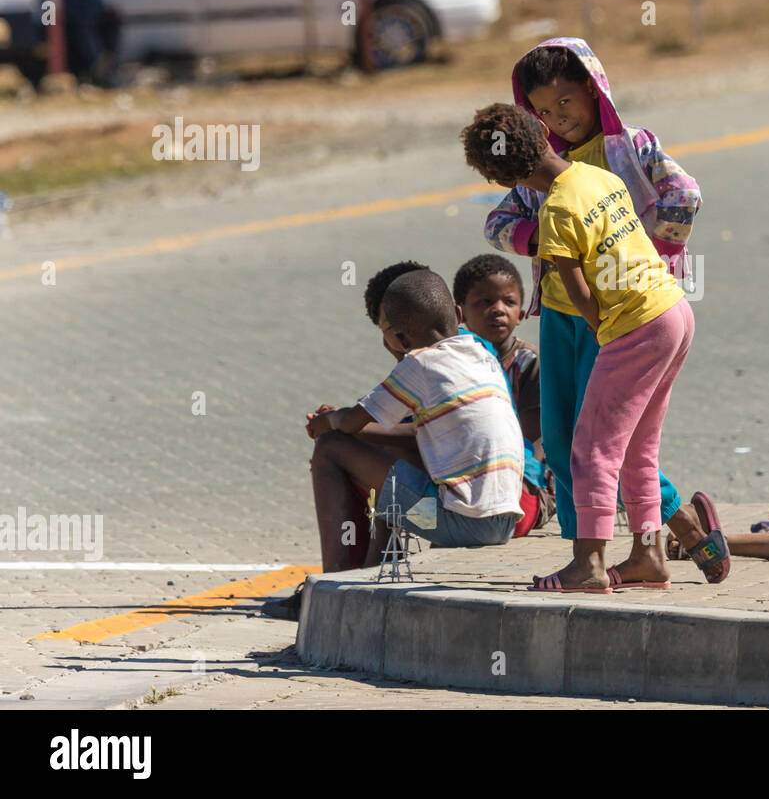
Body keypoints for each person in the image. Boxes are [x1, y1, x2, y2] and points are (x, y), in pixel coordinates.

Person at [482, 37, 728, 585]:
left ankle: (633, 545)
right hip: (563, 318)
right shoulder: (538, 166)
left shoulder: (629, 148)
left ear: (595, 90)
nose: (557, 119)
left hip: (616, 316)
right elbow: (496, 224)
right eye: (542, 111)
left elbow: (683, 195)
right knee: (570, 434)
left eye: (566, 102)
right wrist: (541, 239)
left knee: (597, 441)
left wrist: (642, 254)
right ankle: (645, 540)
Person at [305, 269, 524, 574]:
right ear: (458, 314)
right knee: (393, 472)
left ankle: (333, 581)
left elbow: (351, 422)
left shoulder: (419, 364)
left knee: (331, 447)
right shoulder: (480, 355)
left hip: (456, 524)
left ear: (396, 336)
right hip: (505, 523)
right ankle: (373, 568)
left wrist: (326, 422)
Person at [452, 253, 555, 536]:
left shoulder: (528, 362)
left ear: (522, 312)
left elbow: (532, 443)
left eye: (509, 302)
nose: (498, 310)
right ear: (459, 313)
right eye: (484, 302)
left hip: (524, 482)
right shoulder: (455, 361)